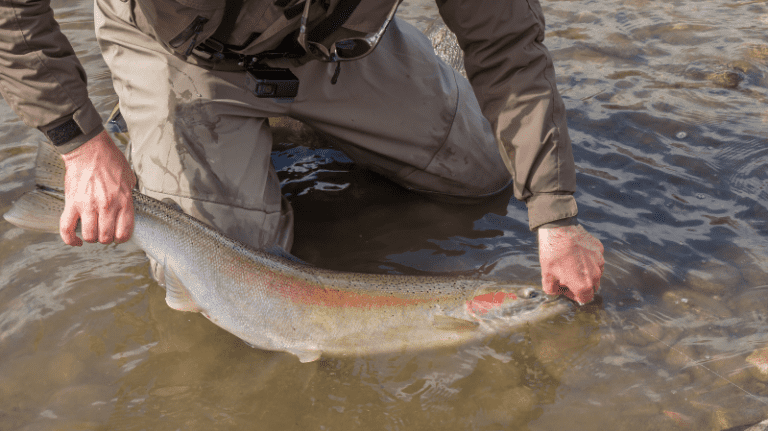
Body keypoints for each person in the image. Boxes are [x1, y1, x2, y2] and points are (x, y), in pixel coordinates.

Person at [0, 0, 603, 304]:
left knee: (484, 174)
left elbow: (508, 47)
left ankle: (291, 124)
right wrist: (77, 143)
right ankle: (141, 125)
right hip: (183, 54)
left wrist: (557, 215)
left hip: (336, 47)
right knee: (227, 284)